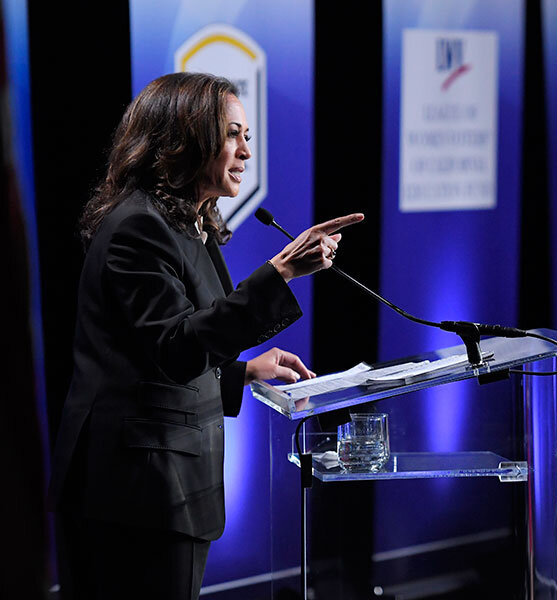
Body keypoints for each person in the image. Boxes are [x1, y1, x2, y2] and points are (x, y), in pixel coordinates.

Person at [48, 72, 364, 600]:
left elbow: (154, 356)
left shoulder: (187, 221)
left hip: (163, 490)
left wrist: (245, 372)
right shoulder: (137, 228)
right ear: (186, 138)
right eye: (233, 134)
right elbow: (175, 349)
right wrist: (280, 273)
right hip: (135, 495)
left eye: (248, 136)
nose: (245, 150)